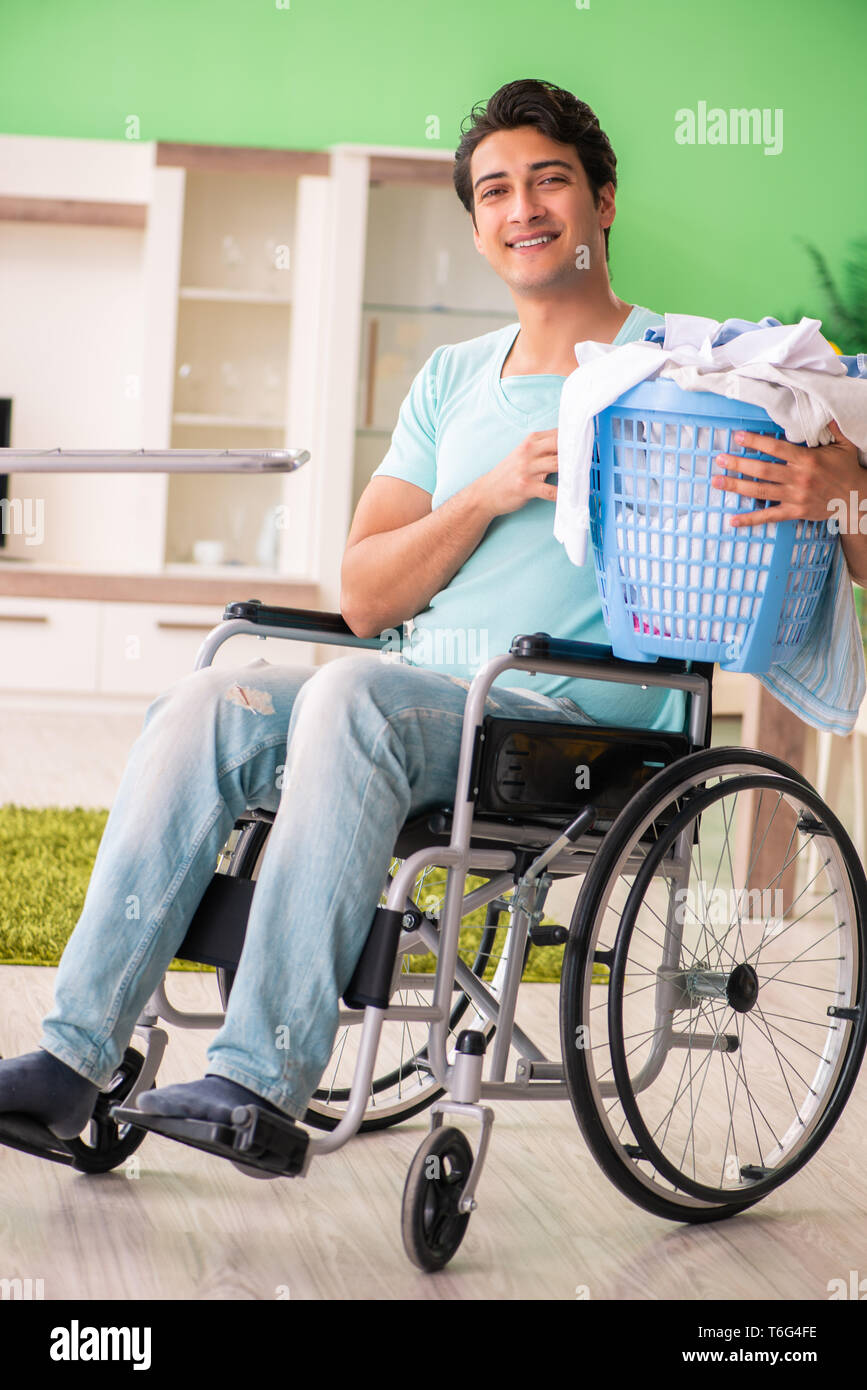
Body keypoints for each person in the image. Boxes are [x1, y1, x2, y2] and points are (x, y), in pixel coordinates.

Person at [0, 77, 696, 1147]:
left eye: (549, 181)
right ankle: (74, 1057)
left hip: (572, 716)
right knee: (209, 700)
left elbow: (813, 461)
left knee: (351, 694)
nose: (524, 210)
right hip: (429, 695)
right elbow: (366, 595)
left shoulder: (683, 367)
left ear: (604, 200)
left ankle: (261, 1082)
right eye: (497, 192)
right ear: (476, 229)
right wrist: (488, 491)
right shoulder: (452, 379)